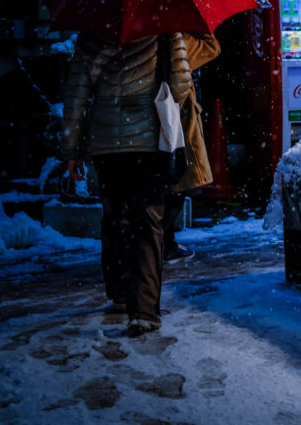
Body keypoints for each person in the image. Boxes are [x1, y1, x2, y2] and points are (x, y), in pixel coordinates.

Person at [62, 32, 202, 336]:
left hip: (105, 143)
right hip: (147, 142)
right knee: (149, 223)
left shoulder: (91, 33)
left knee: (115, 217)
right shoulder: (165, 30)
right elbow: (180, 84)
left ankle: (119, 293)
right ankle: (145, 312)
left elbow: (77, 96)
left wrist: (72, 150)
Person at [161, 34, 221, 262]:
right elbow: (211, 47)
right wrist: (200, 28)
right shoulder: (176, 40)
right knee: (179, 183)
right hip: (173, 122)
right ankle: (160, 242)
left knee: (160, 188)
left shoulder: (132, 44)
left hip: (141, 125)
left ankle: (162, 242)